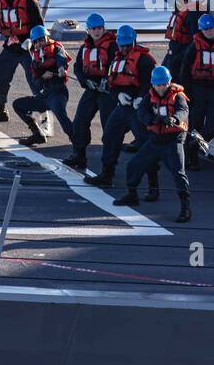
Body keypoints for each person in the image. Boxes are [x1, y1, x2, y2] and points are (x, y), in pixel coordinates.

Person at [115, 66, 193, 223]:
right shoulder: (149, 97)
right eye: (157, 84)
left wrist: (175, 119)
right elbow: (141, 113)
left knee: (179, 173)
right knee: (134, 165)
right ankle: (132, 194)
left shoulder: (178, 97)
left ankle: (185, 207)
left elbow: (183, 112)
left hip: (173, 140)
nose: (161, 87)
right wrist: (153, 120)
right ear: (152, 84)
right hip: (156, 139)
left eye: (164, 84)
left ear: (169, 82)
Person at [85, 25, 157, 188]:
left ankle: (153, 183)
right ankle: (107, 174)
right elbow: (112, 82)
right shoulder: (116, 59)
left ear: (133, 42)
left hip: (139, 109)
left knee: (145, 142)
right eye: (121, 45)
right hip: (122, 106)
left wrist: (142, 98)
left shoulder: (145, 60)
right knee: (109, 137)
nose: (124, 48)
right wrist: (117, 95)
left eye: (127, 45)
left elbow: (151, 84)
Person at [176, 13, 214, 170]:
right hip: (198, 89)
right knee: (195, 123)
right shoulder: (194, 46)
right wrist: (187, 93)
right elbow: (185, 70)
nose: (209, 31)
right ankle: (191, 159)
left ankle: (194, 144)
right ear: (201, 30)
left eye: (211, 28)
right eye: (206, 29)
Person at [65, 13, 116, 169]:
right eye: (93, 29)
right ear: (88, 30)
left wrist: (106, 81)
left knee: (109, 126)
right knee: (79, 122)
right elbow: (78, 68)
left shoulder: (113, 47)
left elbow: (116, 66)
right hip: (91, 89)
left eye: (99, 28)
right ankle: (79, 155)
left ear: (103, 28)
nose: (97, 31)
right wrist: (85, 81)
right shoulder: (84, 48)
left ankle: (109, 165)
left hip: (107, 92)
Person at [12, 25, 74, 147]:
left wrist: (61, 69)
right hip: (45, 95)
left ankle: (77, 142)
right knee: (18, 105)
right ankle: (37, 134)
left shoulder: (56, 48)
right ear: (34, 43)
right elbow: (36, 82)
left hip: (58, 92)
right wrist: (42, 76)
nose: (41, 43)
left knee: (61, 116)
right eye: (38, 41)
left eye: (42, 39)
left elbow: (61, 59)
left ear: (47, 38)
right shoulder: (35, 58)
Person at [161, 0, 201, 76]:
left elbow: (194, 42)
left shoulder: (192, 13)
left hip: (182, 59)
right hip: (172, 56)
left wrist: (179, 58)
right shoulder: (180, 11)